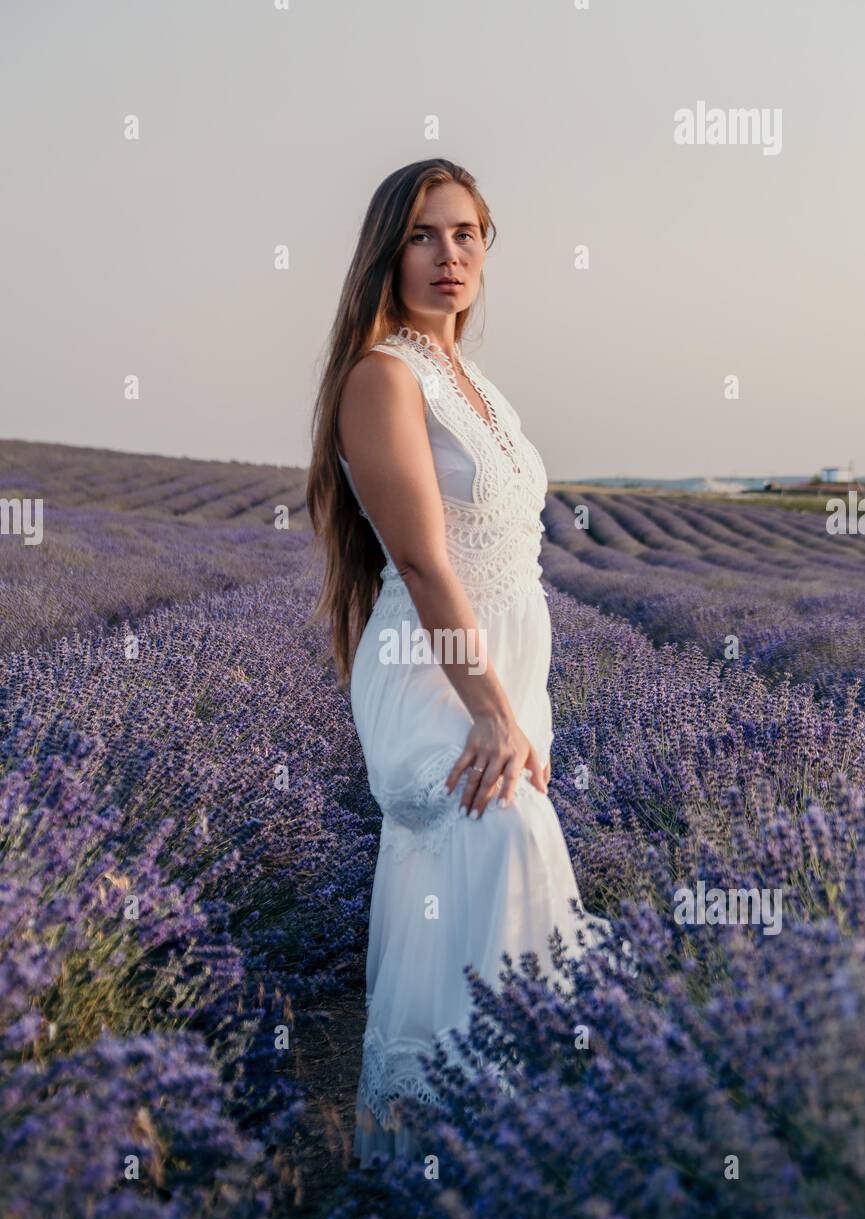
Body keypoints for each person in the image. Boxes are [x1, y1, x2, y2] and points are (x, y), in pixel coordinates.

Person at [306, 158, 608, 1167]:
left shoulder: (477, 384)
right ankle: (461, 1139)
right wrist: (484, 707)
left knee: (478, 886)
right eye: (424, 236)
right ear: (387, 254)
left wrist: (517, 700)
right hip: (433, 672)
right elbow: (429, 563)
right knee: (504, 846)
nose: (448, 257)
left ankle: (489, 1156)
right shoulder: (380, 377)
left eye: (467, 234)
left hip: (502, 677)